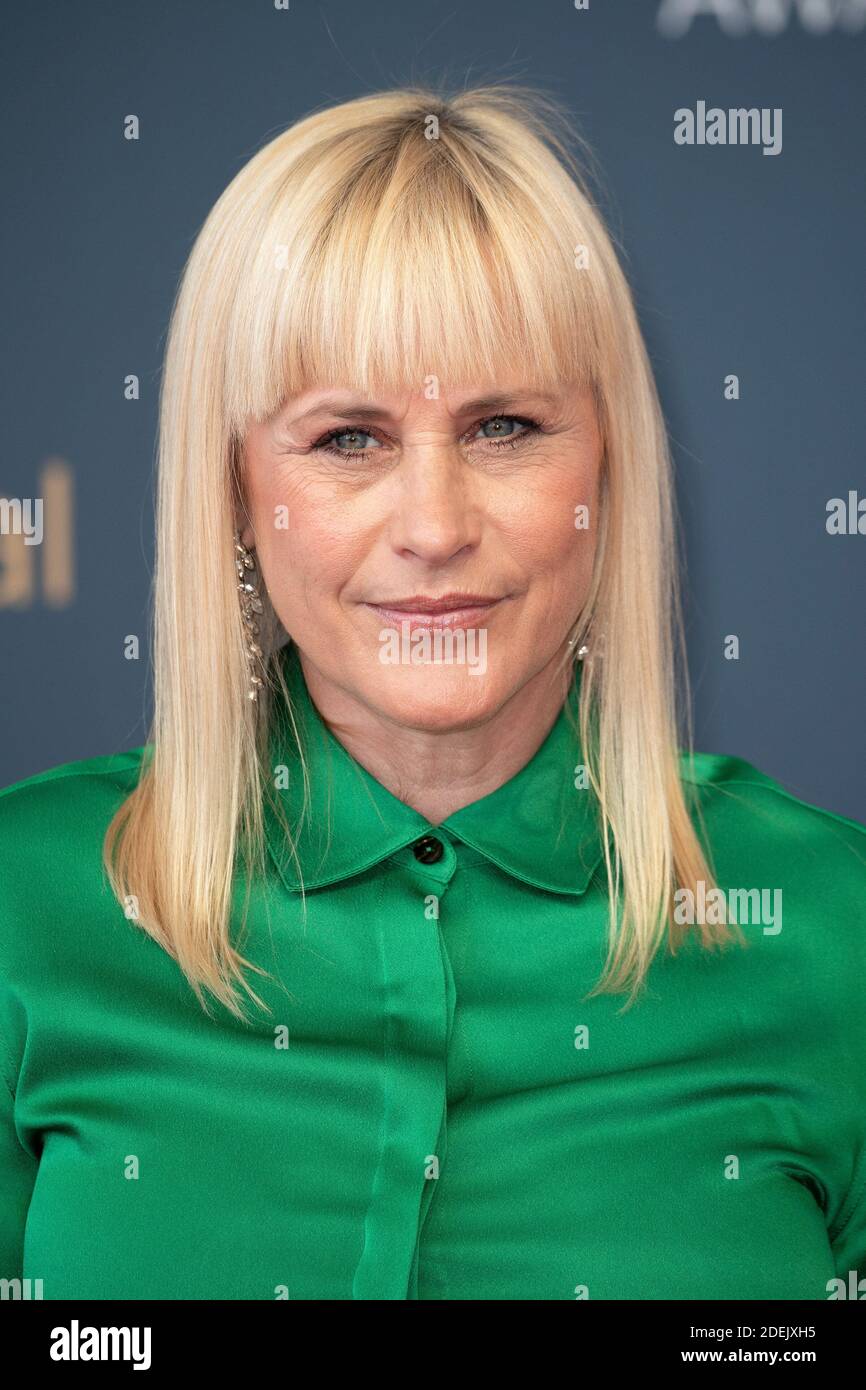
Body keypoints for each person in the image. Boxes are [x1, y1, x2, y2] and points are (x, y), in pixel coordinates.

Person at [1, 84, 864, 1302]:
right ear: (236, 493)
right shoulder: (19, 909)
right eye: (347, 438)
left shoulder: (835, 927)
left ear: (608, 472)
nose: (434, 525)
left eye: (504, 425)